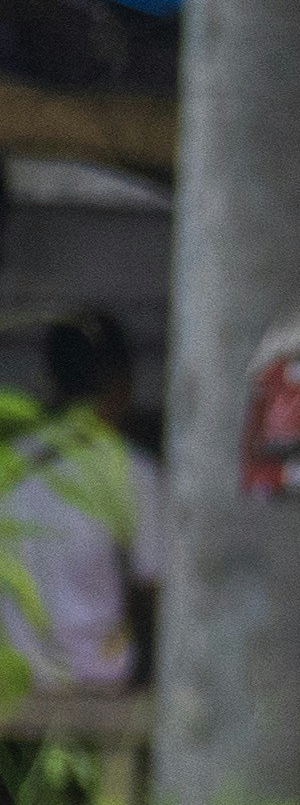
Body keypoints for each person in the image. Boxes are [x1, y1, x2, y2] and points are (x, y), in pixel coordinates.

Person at [0, 307, 161, 717]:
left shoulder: (10, 466)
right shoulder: (131, 472)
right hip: (100, 695)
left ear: (48, 382)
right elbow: (163, 593)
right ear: (121, 386)